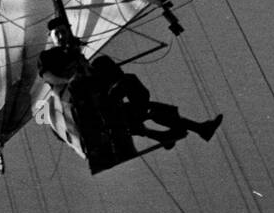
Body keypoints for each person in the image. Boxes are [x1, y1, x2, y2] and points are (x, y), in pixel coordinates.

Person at [89, 55, 222, 149]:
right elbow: (118, 102)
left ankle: (195, 130)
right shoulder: (109, 89)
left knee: (152, 109)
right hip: (116, 121)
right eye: (113, 67)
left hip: (124, 117)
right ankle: (192, 130)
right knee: (149, 107)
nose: (118, 69)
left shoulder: (114, 87)